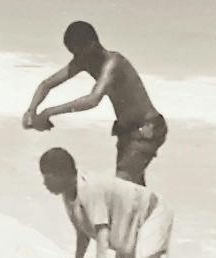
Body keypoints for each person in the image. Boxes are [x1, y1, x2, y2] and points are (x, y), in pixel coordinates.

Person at [36, 147, 216, 258]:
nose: (44, 183)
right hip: (139, 218)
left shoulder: (89, 188)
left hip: (152, 213)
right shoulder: (69, 192)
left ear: (62, 174)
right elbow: (83, 230)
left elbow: (101, 231)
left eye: (47, 176)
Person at [21, 19, 165, 183]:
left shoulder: (114, 64)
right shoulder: (85, 61)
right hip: (127, 131)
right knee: (133, 188)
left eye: (78, 52)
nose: (76, 58)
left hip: (147, 128)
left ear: (92, 44)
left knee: (123, 185)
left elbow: (93, 99)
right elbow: (47, 84)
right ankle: (152, 209)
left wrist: (48, 112)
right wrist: (31, 111)